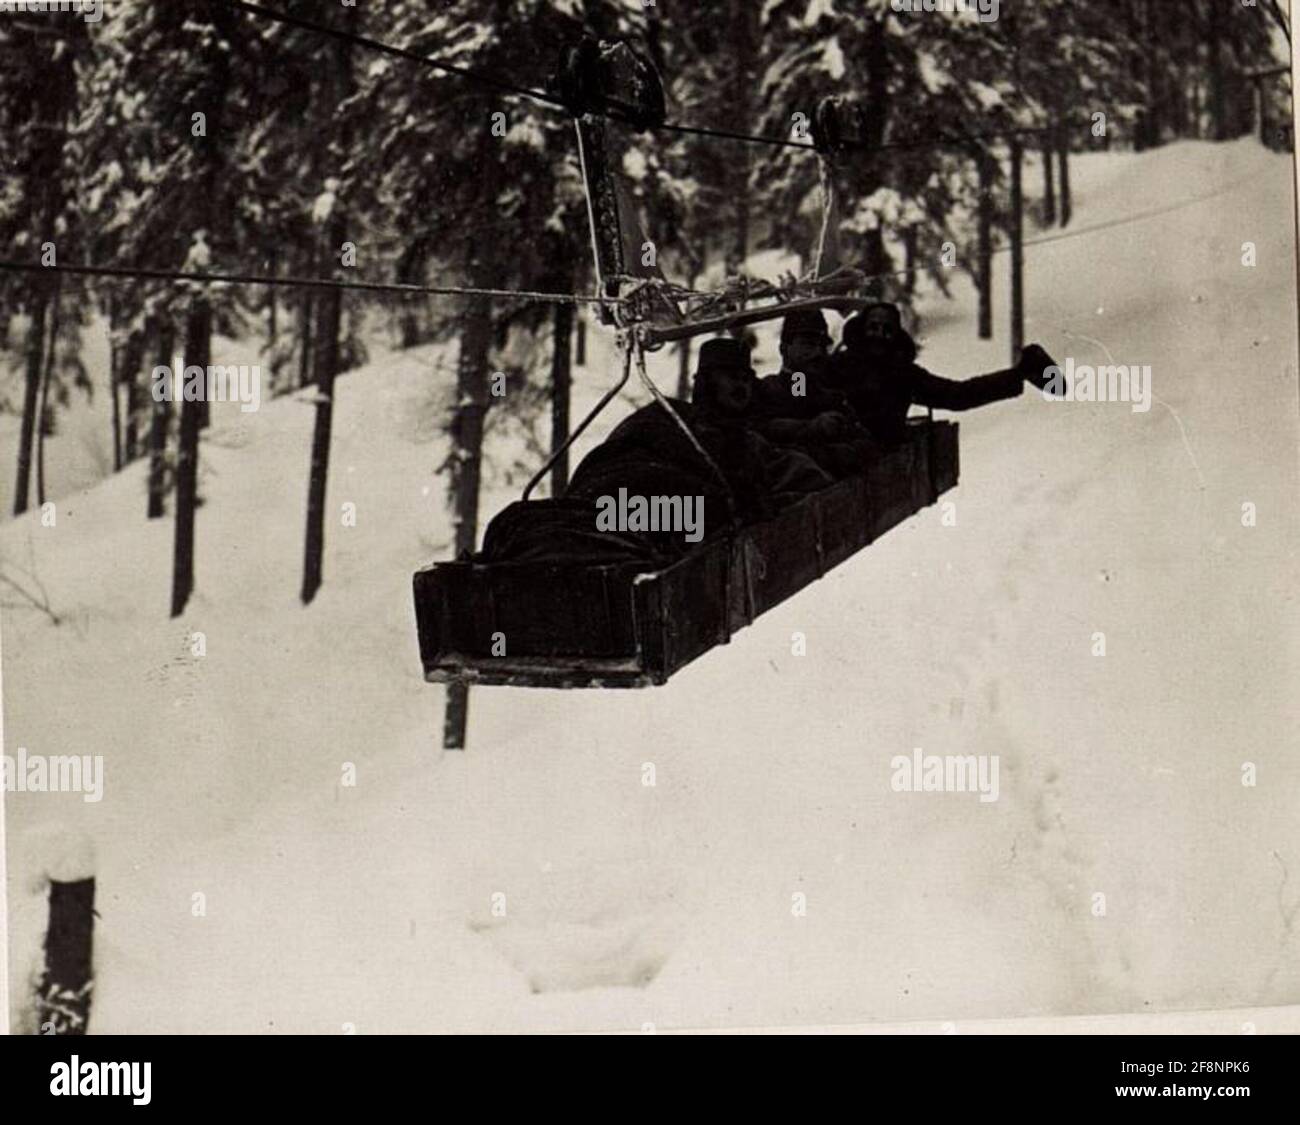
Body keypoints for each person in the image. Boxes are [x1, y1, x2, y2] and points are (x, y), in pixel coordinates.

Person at [479, 338, 831, 565]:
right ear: (705, 382)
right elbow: (613, 454)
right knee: (540, 525)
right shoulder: (663, 413)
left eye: (744, 376)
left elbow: (803, 480)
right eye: (729, 376)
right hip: (613, 498)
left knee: (650, 528)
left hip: (660, 511)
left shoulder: (747, 440)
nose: (740, 384)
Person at [826, 303, 1059, 445]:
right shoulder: (840, 364)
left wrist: (1017, 375)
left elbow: (958, 395)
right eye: (873, 327)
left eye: (887, 330)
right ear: (862, 329)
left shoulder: (904, 375)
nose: (879, 334)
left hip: (872, 452)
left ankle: (1029, 367)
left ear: (896, 337)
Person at [750, 309, 879, 477]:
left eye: (822, 346)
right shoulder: (769, 389)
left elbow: (866, 443)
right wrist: (812, 428)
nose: (818, 353)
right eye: (808, 344)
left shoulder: (831, 396)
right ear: (784, 349)